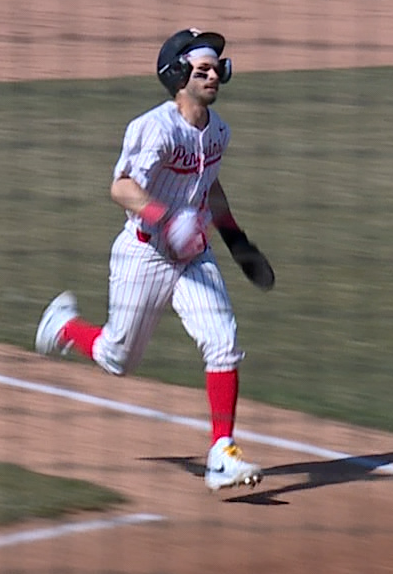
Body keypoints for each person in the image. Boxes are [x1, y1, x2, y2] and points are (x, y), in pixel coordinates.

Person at [34, 28, 276, 491]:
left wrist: (237, 241)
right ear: (177, 75)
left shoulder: (219, 131)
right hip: (144, 255)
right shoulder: (155, 127)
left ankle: (221, 452)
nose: (212, 76)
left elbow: (209, 188)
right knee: (118, 358)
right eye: (201, 69)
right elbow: (122, 187)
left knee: (223, 341)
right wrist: (167, 218)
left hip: (194, 259)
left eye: (215, 69)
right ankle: (65, 327)